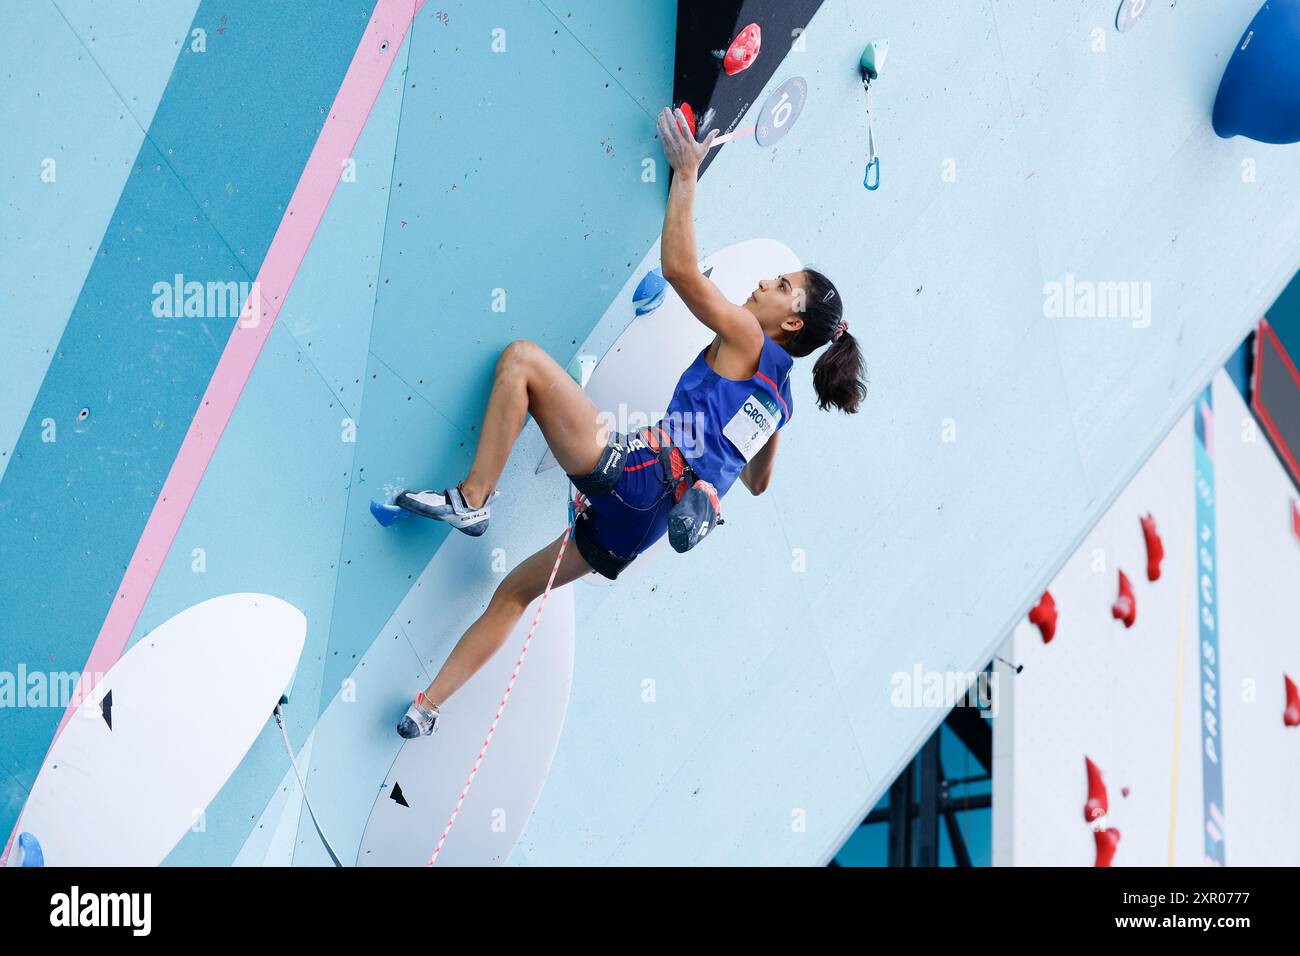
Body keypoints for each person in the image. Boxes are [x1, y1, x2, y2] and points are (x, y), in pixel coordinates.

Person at [397, 108, 866, 738]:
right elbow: (756, 485)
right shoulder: (779, 400)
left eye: (781, 285)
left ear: (789, 321)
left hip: (643, 471)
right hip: (636, 533)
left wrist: (686, 176)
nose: (763, 282)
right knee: (516, 592)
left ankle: (473, 500)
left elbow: (678, 271)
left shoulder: (748, 335)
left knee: (522, 364)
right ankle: (426, 708)